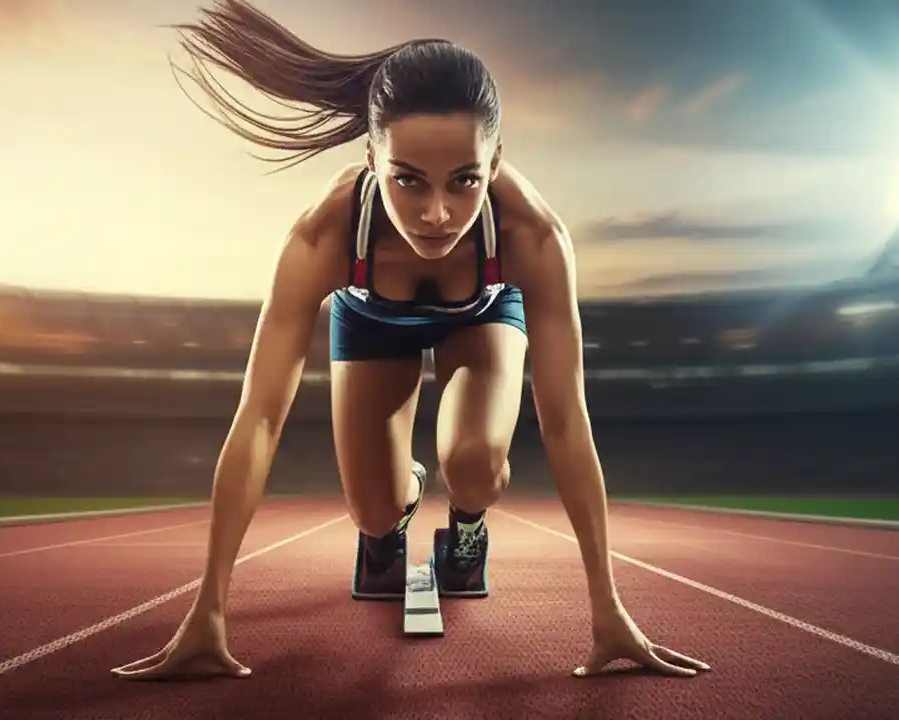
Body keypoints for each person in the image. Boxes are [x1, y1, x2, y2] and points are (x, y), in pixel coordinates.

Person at [112, 0, 710, 680]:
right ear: (371, 159)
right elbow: (261, 417)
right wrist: (209, 607)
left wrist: (607, 607)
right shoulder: (323, 237)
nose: (437, 214)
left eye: (465, 181)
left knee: (474, 461)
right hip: (373, 319)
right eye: (408, 181)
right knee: (371, 511)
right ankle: (399, 502)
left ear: (496, 161)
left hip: (481, 316)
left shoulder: (532, 238)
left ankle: (467, 529)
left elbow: (567, 421)